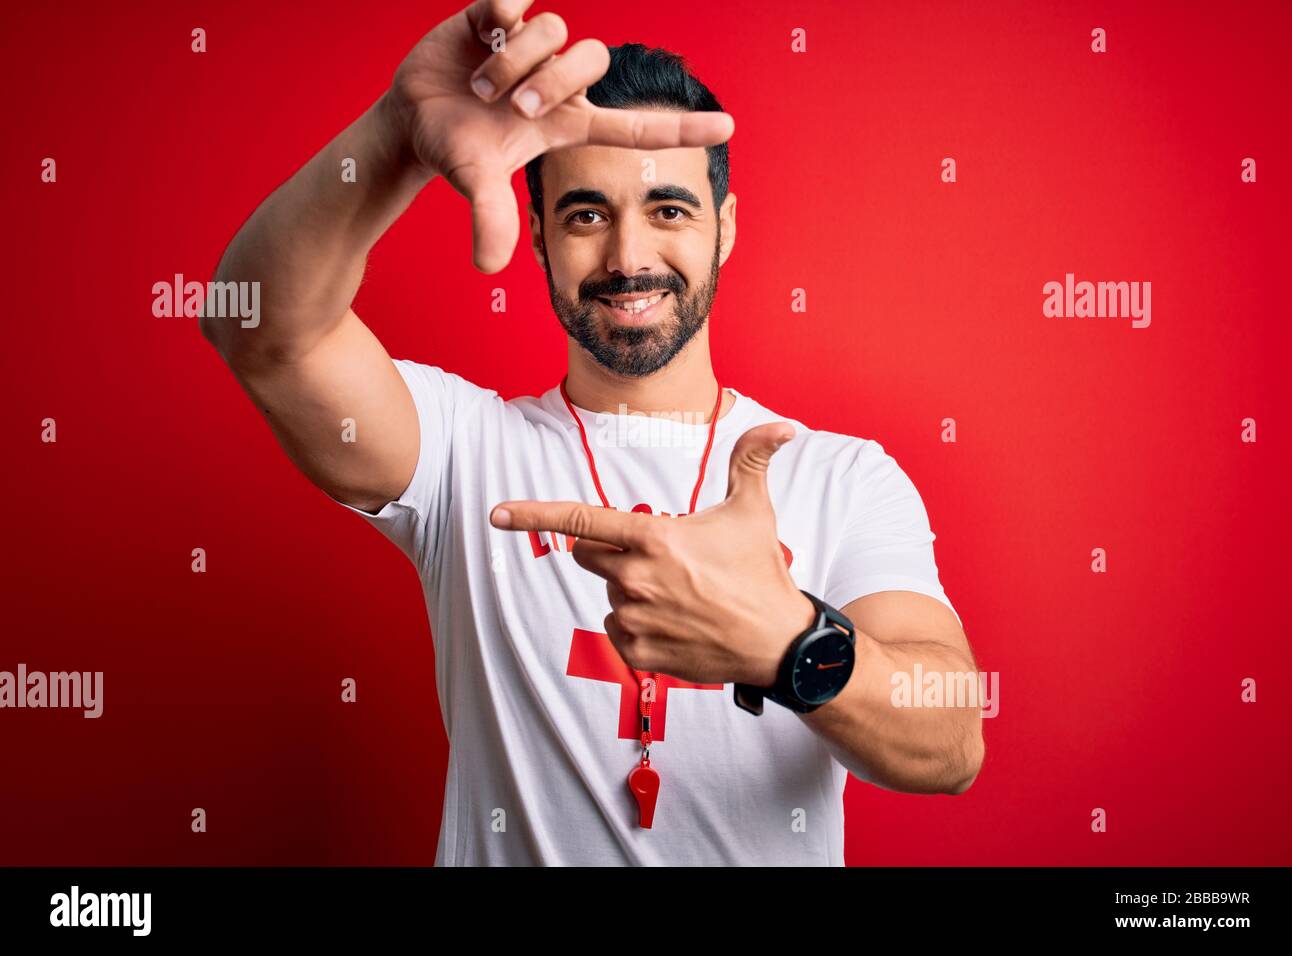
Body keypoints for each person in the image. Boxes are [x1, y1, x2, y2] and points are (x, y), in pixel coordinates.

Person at [200, 0, 983, 866]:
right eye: (585, 215)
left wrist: (787, 643)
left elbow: (951, 743)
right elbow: (264, 332)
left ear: (725, 228)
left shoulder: (842, 477)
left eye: (670, 210)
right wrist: (394, 135)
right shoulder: (462, 450)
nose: (627, 257)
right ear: (536, 237)